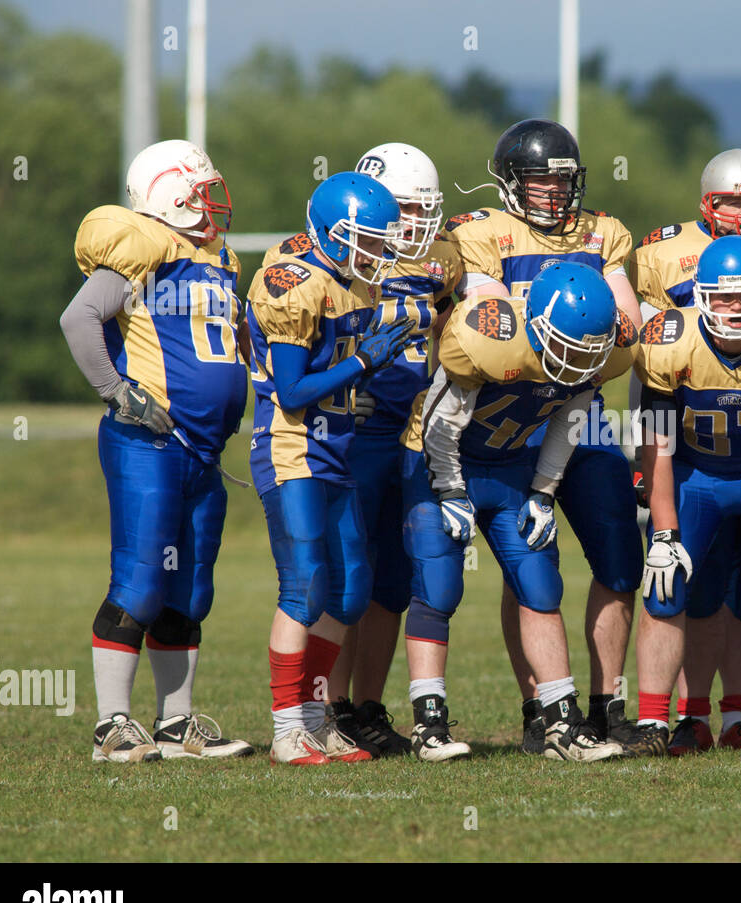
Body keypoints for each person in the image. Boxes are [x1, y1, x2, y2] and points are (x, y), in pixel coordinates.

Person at [445, 119, 644, 750]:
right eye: (539, 182)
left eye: (563, 181)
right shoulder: (477, 236)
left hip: (579, 414)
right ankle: (542, 710)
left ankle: (606, 703)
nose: (554, 194)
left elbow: (629, 326)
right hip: (505, 419)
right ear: (510, 183)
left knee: (619, 560)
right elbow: (495, 330)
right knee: (526, 567)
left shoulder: (603, 233)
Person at [63, 139, 253, 762]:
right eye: (200, 191)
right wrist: (116, 392)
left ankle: (176, 724)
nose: (211, 202)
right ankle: (111, 726)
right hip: (148, 442)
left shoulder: (218, 256)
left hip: (202, 449)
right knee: (142, 582)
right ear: (170, 195)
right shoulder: (142, 246)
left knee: (189, 588)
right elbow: (78, 320)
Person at [399, 262, 633, 762]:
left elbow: (570, 420)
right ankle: (428, 723)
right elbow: (440, 422)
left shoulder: (594, 355)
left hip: (511, 472)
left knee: (541, 585)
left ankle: (561, 724)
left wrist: (544, 492)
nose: (577, 361)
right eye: (568, 347)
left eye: (589, 351)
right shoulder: (488, 338)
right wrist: (448, 489)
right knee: (439, 585)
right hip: (441, 462)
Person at [630, 148, 741, 753]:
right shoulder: (667, 323)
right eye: (732, 199)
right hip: (696, 469)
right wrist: (660, 525)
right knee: (672, 588)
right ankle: (659, 719)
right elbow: (654, 428)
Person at [248, 171, 409, 765]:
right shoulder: (293, 283)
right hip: (291, 448)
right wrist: (365, 360)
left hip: (335, 449)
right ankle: (289, 727)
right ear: (330, 232)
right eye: (364, 238)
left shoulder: (355, 284)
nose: (375, 250)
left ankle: (316, 720)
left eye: (379, 239)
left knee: (349, 591)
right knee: (307, 584)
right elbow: (291, 391)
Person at [318, 143, 462, 757]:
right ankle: (325, 707)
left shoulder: (444, 263)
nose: (412, 223)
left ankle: (369, 709)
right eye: (401, 208)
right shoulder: (336, 263)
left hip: (411, 440)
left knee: (393, 584)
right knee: (345, 578)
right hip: (351, 438)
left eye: (423, 209)